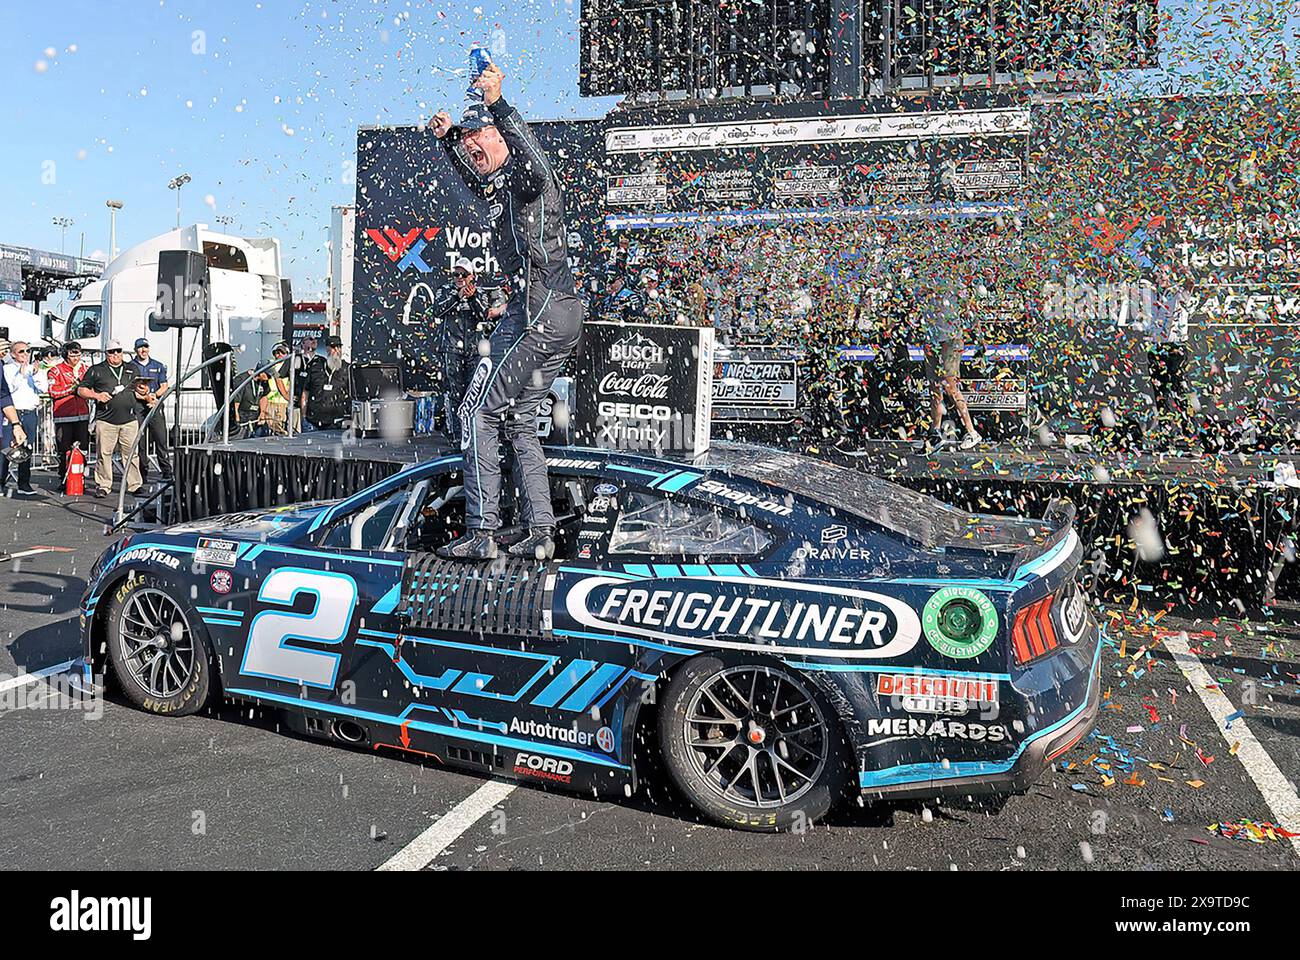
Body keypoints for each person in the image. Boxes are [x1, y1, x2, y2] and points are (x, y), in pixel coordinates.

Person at [430, 59, 585, 561]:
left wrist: (496, 101)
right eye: (469, 141)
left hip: (537, 312)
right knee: (518, 420)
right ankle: (540, 532)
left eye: (481, 137)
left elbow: (532, 160)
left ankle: (483, 533)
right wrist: (451, 139)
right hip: (554, 314)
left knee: (476, 412)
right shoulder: (497, 184)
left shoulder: (527, 176)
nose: (474, 148)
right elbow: (476, 177)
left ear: (500, 135)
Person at [427, 259, 506, 439]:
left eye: (464, 274)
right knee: (454, 393)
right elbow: (437, 311)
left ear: (472, 276)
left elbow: (483, 316)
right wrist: (457, 296)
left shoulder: (478, 293)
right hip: (451, 349)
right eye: (457, 274)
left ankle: (473, 434)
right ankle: (455, 435)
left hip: (474, 351)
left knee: (474, 393)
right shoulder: (445, 290)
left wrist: (471, 298)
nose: (460, 278)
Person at [919, 267, 981, 452]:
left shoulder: (956, 285)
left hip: (951, 340)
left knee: (950, 386)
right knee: (934, 388)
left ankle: (972, 432)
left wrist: (977, 336)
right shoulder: (922, 283)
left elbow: (970, 309)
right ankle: (935, 433)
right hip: (931, 340)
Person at [77, 340, 143, 498]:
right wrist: (96, 395)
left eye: (118, 351)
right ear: (106, 353)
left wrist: (146, 392)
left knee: (132, 454)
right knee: (104, 454)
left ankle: (134, 485)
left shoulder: (131, 368)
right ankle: (104, 485)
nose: (115, 355)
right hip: (106, 419)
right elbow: (81, 389)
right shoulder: (96, 370)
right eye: (112, 352)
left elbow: (139, 389)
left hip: (129, 419)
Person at [1146, 263, 1193, 446]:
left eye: (1166, 273)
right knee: (1160, 393)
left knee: (1179, 391)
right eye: (1159, 274)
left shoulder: (1180, 294)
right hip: (1156, 348)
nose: (1163, 277)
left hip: (1175, 347)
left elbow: (1191, 283)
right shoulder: (1151, 295)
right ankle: (1165, 435)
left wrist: (1183, 268)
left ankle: (1187, 433)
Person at [2, 342, 47, 496]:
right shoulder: (7, 369)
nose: (25, 354)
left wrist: (36, 373)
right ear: (13, 354)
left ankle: (24, 483)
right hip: (13, 412)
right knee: (7, 448)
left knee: (26, 448)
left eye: (28, 351)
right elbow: (8, 389)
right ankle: (1, 482)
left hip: (29, 413)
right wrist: (20, 374)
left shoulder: (33, 369)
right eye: (21, 351)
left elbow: (43, 388)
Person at [47, 343, 91, 489]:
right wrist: (72, 389)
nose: (76, 358)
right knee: (64, 449)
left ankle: (80, 478)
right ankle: (63, 479)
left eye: (78, 354)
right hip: (63, 416)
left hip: (82, 415)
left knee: (82, 449)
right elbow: (53, 392)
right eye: (73, 354)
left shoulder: (85, 369)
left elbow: (91, 388)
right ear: (65, 354)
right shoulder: (55, 370)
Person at [131, 338, 172, 482]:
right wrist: (145, 398)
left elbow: (164, 385)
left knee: (161, 438)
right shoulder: (130, 366)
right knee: (140, 441)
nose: (143, 350)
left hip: (155, 404)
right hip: (138, 406)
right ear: (136, 349)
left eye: (146, 347)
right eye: (140, 348)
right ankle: (143, 473)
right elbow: (129, 388)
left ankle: (166, 470)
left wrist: (154, 396)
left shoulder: (158, 365)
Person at [301, 335, 351, 430]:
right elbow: (305, 392)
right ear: (327, 349)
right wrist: (303, 416)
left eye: (338, 347)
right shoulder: (316, 367)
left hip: (337, 422)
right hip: (313, 421)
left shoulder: (347, 369)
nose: (336, 350)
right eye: (332, 347)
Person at [258, 341, 293, 436]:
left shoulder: (289, 366)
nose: (279, 355)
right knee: (270, 427)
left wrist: (288, 397)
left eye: (282, 353)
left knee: (281, 427)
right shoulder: (270, 364)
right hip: (270, 401)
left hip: (283, 403)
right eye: (277, 352)